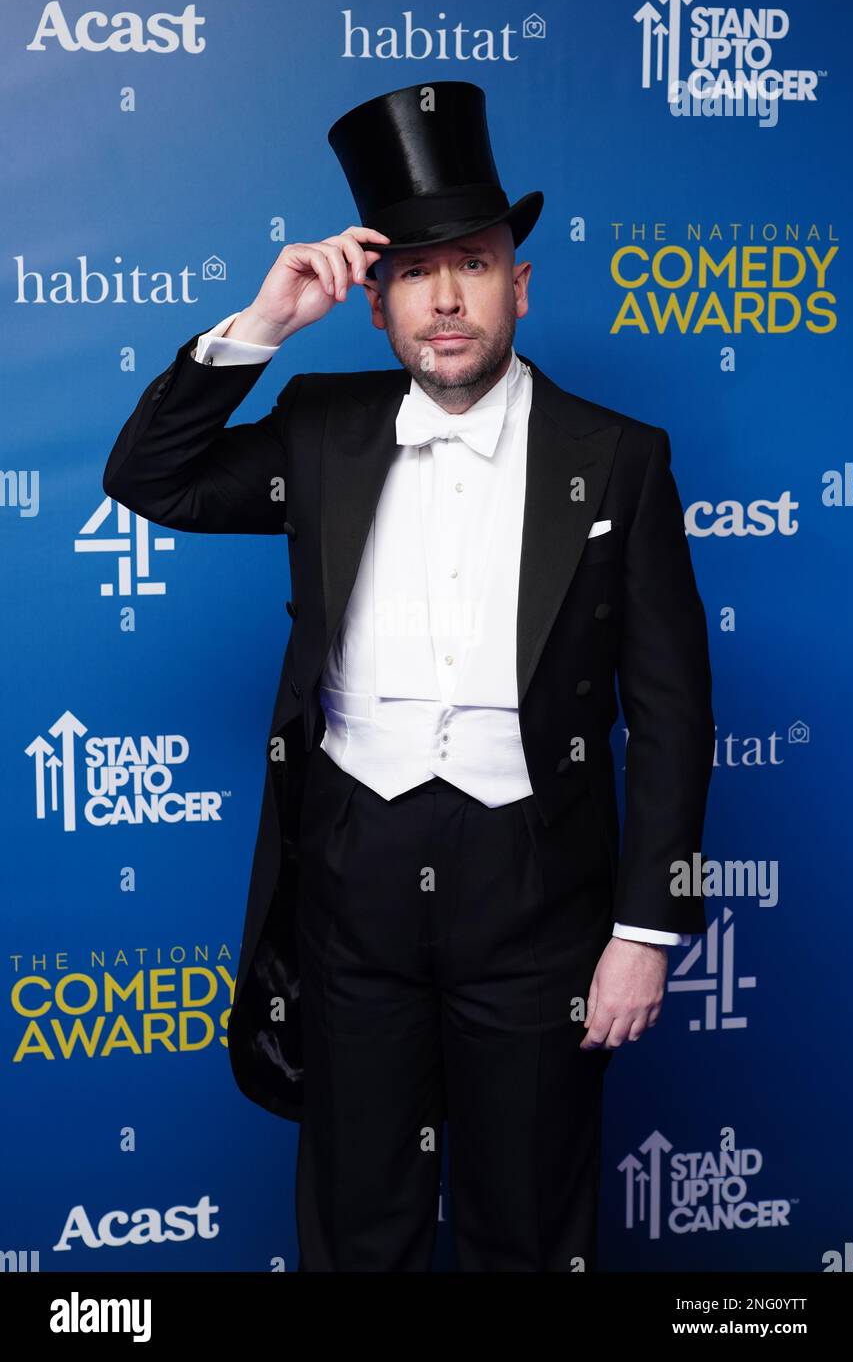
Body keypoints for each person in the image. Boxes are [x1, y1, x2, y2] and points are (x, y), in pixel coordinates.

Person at [102, 80, 715, 1272]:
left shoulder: (620, 459)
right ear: (375, 301)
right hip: (352, 883)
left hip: (538, 889)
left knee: (527, 1224)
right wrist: (263, 323)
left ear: (518, 284)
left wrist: (645, 928)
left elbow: (675, 713)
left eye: (473, 264)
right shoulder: (321, 427)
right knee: (357, 1220)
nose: (445, 298)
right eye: (415, 273)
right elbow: (150, 479)